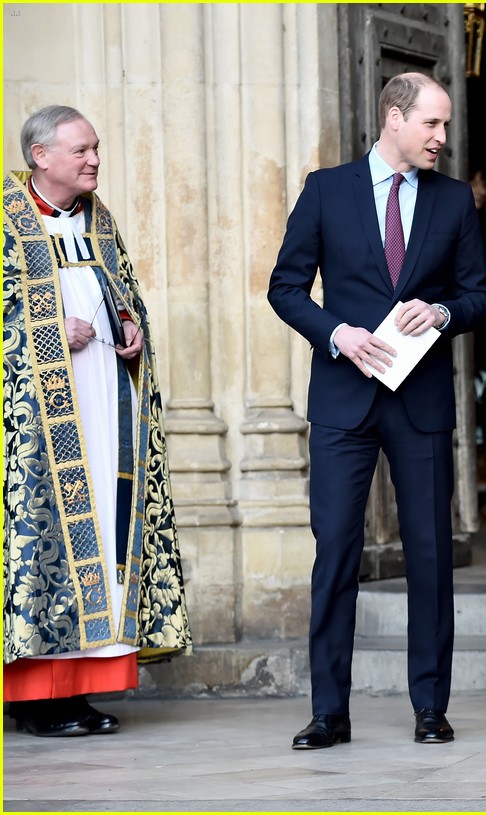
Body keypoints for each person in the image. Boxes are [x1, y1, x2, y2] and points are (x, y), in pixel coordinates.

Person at [267, 73, 486, 749]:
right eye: (432, 125)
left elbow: (478, 295)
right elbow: (285, 287)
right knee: (335, 551)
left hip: (420, 402)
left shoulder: (454, 201)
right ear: (394, 118)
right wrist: (335, 332)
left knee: (429, 554)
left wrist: (444, 310)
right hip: (343, 399)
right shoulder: (325, 189)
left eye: (445, 126)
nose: (442, 139)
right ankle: (329, 711)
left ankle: (430, 705)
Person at [3, 105, 191, 736]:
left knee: (104, 540)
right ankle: (34, 700)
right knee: (47, 544)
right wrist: (49, 331)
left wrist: (131, 327)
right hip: (35, 429)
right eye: (80, 150)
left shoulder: (99, 219)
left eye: (96, 148)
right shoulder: (6, 218)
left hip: (105, 406)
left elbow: (120, 292)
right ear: (41, 156)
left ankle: (75, 692)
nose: (93, 160)